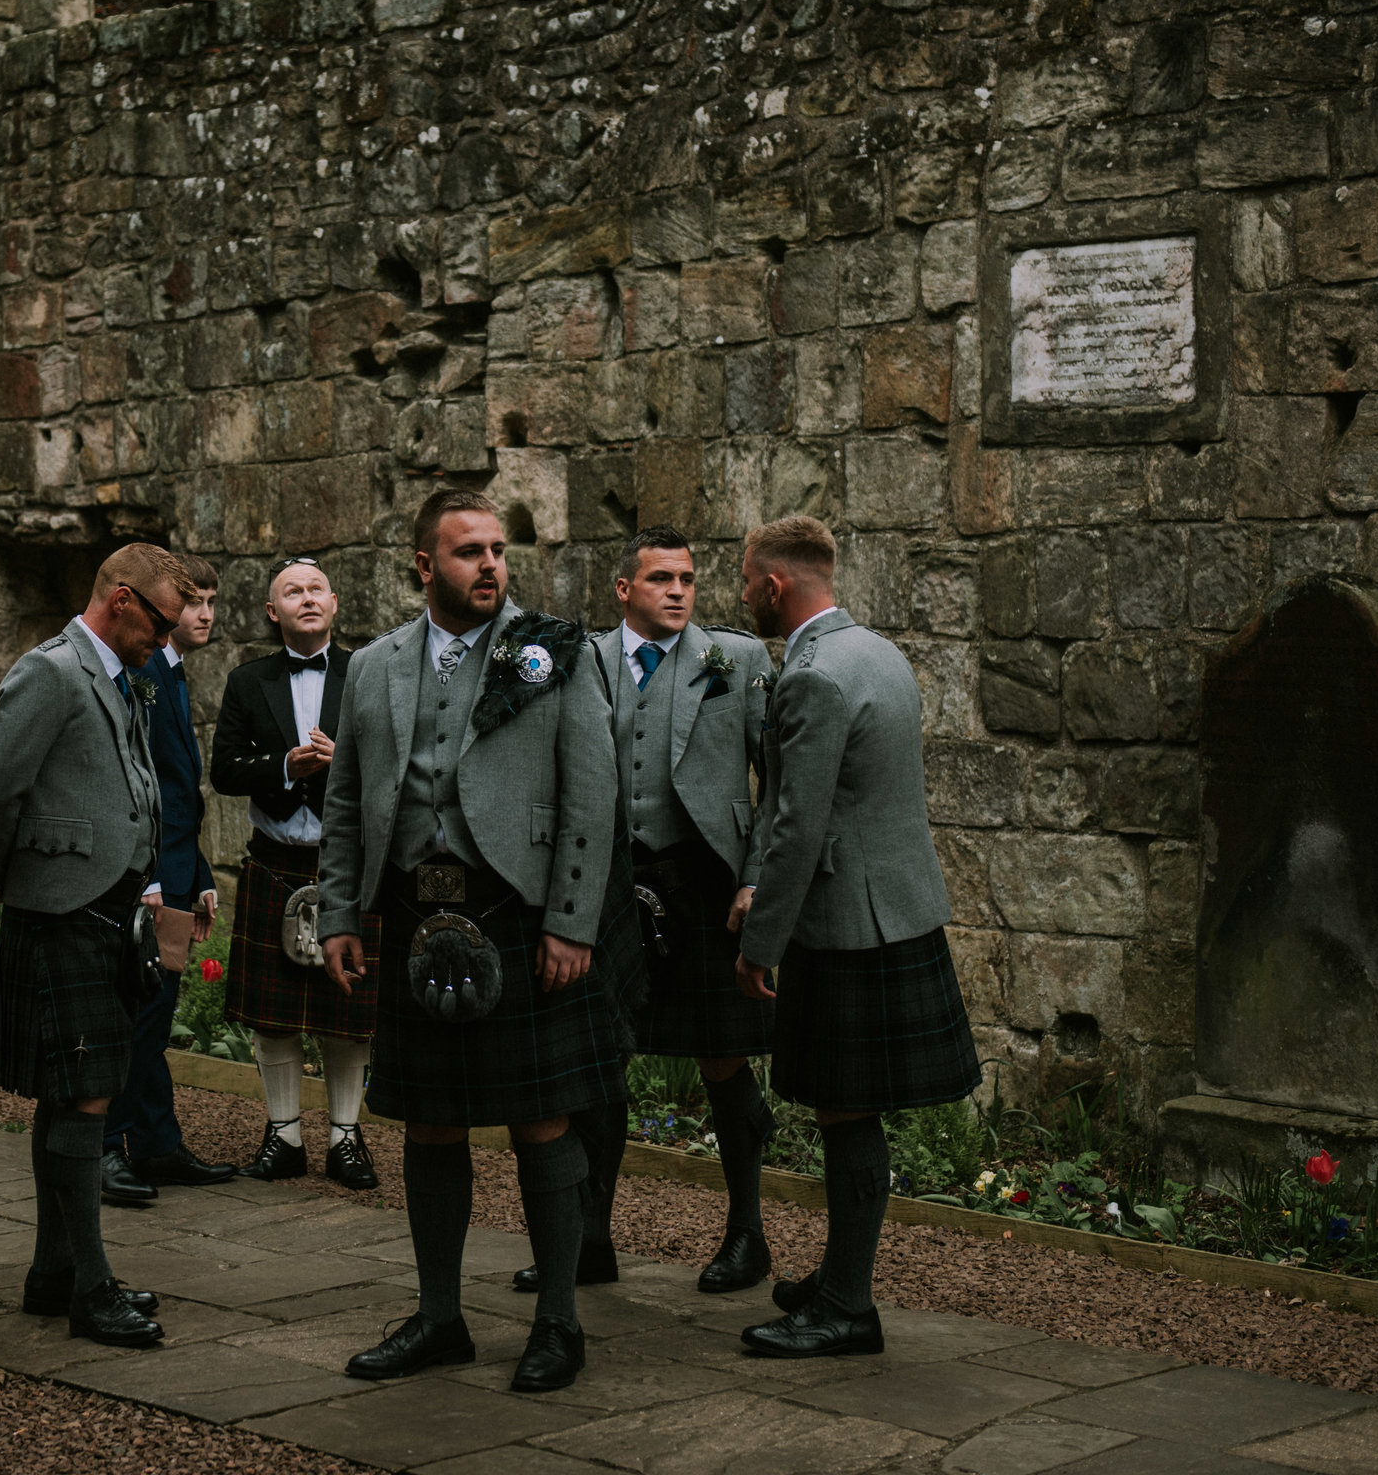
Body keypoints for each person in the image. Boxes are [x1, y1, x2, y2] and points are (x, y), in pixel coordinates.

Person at [317, 488, 619, 1395]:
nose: (490, 564)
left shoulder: (554, 654)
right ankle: (440, 1317)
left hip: (519, 917)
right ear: (423, 566)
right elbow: (345, 802)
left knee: (541, 1115)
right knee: (432, 1119)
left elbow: (590, 798)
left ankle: (559, 1321)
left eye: (497, 549)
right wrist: (339, 912)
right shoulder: (373, 665)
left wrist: (571, 921)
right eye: (467, 552)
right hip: (415, 918)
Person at [730, 515, 980, 1360]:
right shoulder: (875, 651)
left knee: (845, 1111)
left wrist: (761, 939)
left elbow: (800, 823)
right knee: (852, 1108)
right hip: (894, 904)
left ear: (773, 584)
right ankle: (842, 1277)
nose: (740, 596)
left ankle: (846, 1305)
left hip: (847, 921)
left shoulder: (814, 677)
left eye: (743, 581)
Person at [513, 525, 779, 1303]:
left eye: (688, 579)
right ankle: (590, 1240)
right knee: (599, 1060)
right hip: (606, 884)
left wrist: (755, 879)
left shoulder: (739, 660)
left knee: (722, 1056)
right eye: (660, 578)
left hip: (705, 885)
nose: (677, 591)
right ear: (624, 589)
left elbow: (782, 783)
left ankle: (748, 1232)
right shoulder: (581, 661)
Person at [0, 541, 191, 1350]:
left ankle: (53, 1272)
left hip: (108, 909)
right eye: (159, 621)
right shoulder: (52, 671)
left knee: (70, 1094)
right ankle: (91, 1290)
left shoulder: (126, 674)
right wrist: (3, 867)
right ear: (121, 600)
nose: (168, 636)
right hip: (61, 910)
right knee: (85, 1099)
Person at [208, 556, 375, 1191]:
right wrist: (285, 767)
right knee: (272, 1015)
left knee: (347, 1003)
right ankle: (283, 1136)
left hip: (344, 861)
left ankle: (345, 1137)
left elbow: (394, 765)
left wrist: (340, 765)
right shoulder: (248, 681)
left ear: (334, 604)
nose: (306, 599)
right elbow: (224, 770)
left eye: (315, 590)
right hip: (275, 860)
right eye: (291, 593)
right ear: (273, 612)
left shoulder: (367, 673)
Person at [102, 555, 240, 1205]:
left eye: (212, 600)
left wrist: (202, 872)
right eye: (193, 602)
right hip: (152, 880)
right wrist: (155, 878)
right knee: (134, 1016)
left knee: (156, 1020)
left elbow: (180, 793)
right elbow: (138, 780)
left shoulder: (172, 674)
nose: (203, 614)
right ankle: (107, 1148)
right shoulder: (145, 672)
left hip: (178, 875)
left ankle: (156, 1144)